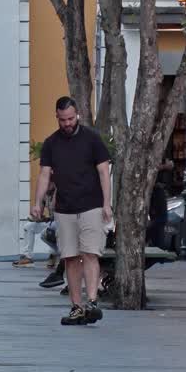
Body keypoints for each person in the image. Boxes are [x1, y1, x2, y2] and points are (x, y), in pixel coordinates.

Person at [32, 96, 112, 326]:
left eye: (71, 118)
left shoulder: (92, 140)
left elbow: (104, 173)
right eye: (63, 120)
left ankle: (93, 302)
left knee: (90, 253)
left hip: (92, 205)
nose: (67, 123)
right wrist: (38, 203)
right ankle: (77, 307)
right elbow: (45, 175)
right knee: (70, 258)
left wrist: (107, 204)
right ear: (56, 117)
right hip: (64, 208)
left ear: (77, 115)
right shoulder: (51, 144)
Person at [15, 182, 55, 267]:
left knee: (51, 231)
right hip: (51, 221)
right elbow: (40, 211)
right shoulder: (45, 195)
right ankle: (27, 257)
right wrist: (36, 217)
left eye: (50, 184)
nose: (47, 186)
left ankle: (54, 254)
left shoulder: (59, 193)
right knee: (29, 226)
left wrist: (45, 219)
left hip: (61, 223)